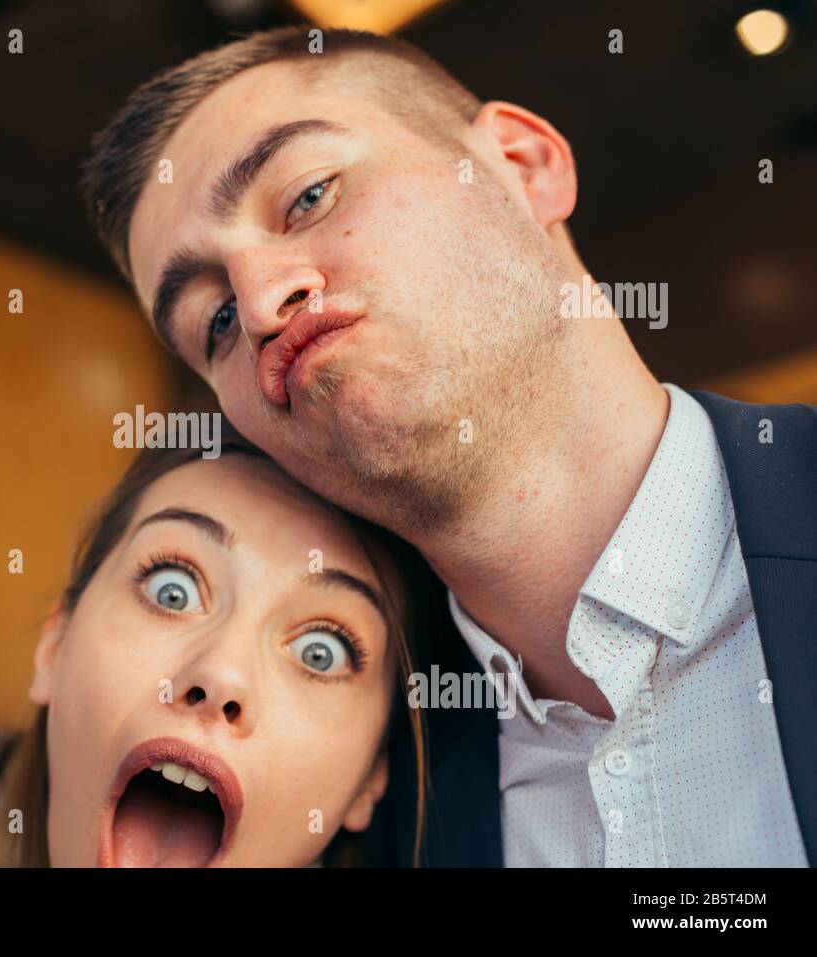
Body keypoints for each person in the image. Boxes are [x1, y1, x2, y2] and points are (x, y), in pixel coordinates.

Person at [78, 25, 816, 866]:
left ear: (523, 162)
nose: (257, 306)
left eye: (310, 196)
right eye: (211, 321)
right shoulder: (354, 786)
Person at [0, 428, 438, 866]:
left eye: (320, 652)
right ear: (53, 647)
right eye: (172, 590)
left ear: (368, 783)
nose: (221, 674)